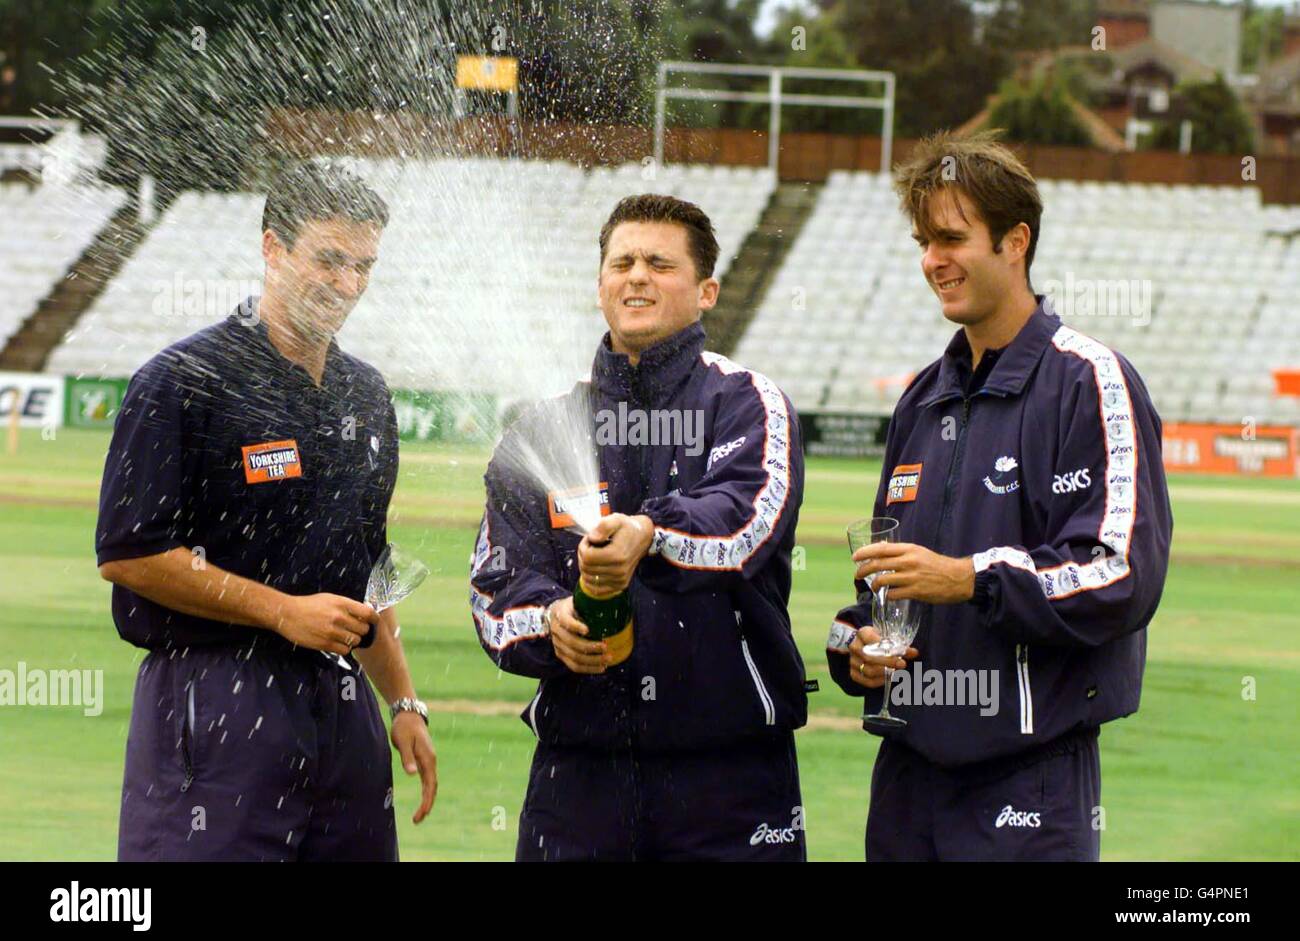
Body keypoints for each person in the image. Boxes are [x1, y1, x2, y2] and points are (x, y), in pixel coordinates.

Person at [825, 131, 1173, 861]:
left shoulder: (1089, 379)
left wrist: (970, 577)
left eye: (951, 238)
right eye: (923, 241)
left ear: (1016, 241)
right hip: (905, 780)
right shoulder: (922, 396)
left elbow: (1121, 573)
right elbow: (889, 591)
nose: (932, 261)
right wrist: (851, 644)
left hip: (1028, 781)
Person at [97, 161, 436, 860]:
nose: (347, 284)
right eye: (329, 259)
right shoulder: (182, 380)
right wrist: (283, 610)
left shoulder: (365, 394)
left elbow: (369, 561)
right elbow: (128, 553)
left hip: (343, 707)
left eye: (363, 265)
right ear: (272, 247)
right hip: (215, 693)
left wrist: (402, 701)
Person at [470, 194, 810, 861]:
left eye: (660, 263)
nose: (637, 275)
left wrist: (649, 534)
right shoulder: (540, 430)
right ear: (600, 284)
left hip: (728, 774)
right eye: (622, 261)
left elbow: (745, 520)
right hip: (579, 776)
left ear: (707, 290)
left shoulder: (745, 401)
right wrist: (553, 621)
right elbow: (494, 591)